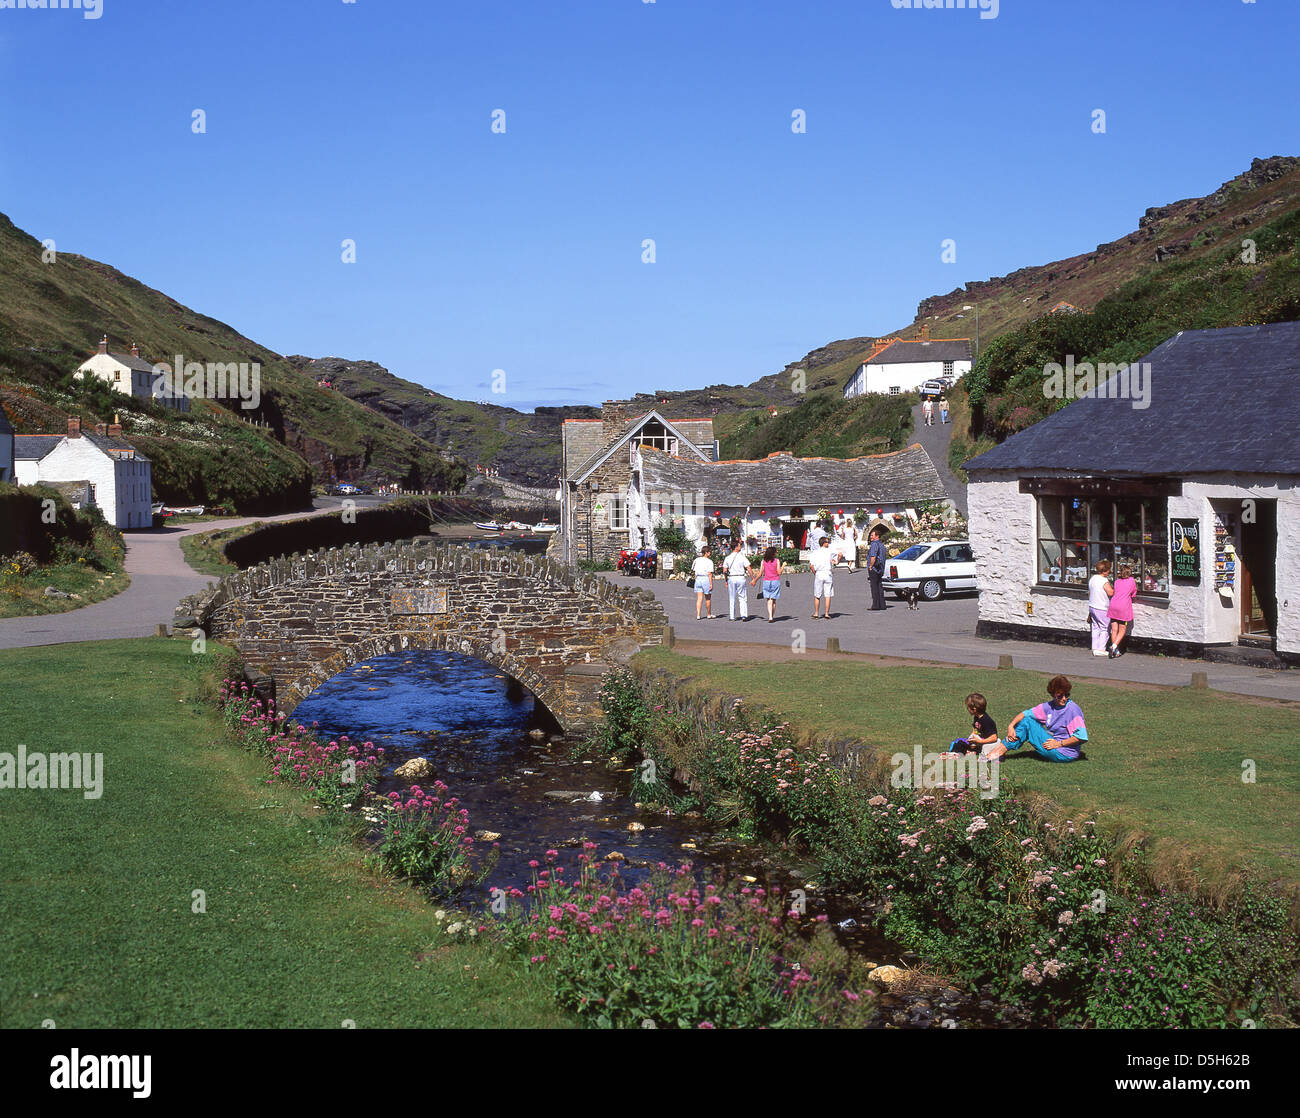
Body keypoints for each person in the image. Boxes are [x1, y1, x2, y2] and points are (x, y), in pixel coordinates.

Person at [984, 676, 1087, 763]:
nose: (1064, 698)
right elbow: (1025, 714)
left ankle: (997, 752)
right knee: (1026, 720)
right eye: (1060, 696)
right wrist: (1011, 726)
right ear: (1053, 694)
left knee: (1027, 722)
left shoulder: (1073, 709)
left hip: (1065, 753)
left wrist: (1058, 744)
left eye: (1067, 695)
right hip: (1053, 743)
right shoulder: (1048, 707)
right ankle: (1000, 751)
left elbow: (1081, 737)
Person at [1108, 563, 1137, 658]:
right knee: (1122, 629)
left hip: (1113, 605)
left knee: (1114, 630)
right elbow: (1133, 594)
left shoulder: (1117, 582)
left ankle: (1115, 652)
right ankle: (1114, 646)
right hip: (1123, 607)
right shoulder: (1132, 581)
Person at [1088, 559, 1114, 657]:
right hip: (1102, 607)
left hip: (1092, 605)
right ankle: (1101, 649)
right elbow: (1110, 592)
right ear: (1105, 570)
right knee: (1105, 628)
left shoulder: (1093, 578)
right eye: (1108, 570)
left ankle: (1094, 647)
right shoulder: (1104, 581)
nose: (1109, 572)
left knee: (1095, 627)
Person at [722, 538, 751, 622]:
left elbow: (724, 570)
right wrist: (753, 577)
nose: (740, 546)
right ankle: (744, 615)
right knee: (742, 596)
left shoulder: (727, 558)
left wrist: (726, 580)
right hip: (741, 577)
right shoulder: (742, 557)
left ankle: (732, 616)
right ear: (736, 547)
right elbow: (748, 567)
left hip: (731, 577)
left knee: (732, 597)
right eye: (739, 545)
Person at [808, 536, 835, 619]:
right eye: (827, 542)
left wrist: (815, 573)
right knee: (828, 594)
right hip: (827, 573)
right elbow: (839, 554)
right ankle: (826, 613)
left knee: (817, 594)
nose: (828, 544)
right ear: (824, 543)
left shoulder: (815, 552)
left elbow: (811, 566)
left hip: (819, 573)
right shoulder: (830, 551)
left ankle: (816, 613)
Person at [757, 544, 784, 623]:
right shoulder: (777, 561)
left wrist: (754, 580)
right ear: (773, 553)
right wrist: (783, 566)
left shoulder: (763, 561)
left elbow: (760, 572)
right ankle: (772, 616)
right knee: (773, 599)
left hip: (766, 581)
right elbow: (779, 572)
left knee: (769, 599)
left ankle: (770, 616)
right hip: (775, 581)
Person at [866, 528, 887, 610]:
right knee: (879, 586)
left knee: (874, 586)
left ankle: (875, 605)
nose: (870, 537)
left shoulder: (874, 544)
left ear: (877, 536)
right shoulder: (882, 545)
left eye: (872, 535)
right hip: (880, 568)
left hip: (874, 568)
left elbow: (873, 556)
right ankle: (882, 605)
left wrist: (871, 566)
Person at [692, 545, 715, 620]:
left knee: (699, 598)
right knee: (708, 598)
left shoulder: (696, 560)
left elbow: (693, 569)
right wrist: (711, 584)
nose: (710, 553)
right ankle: (708, 614)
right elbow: (709, 573)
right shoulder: (709, 561)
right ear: (706, 553)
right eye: (709, 552)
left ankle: (698, 615)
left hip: (698, 578)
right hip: (705, 579)